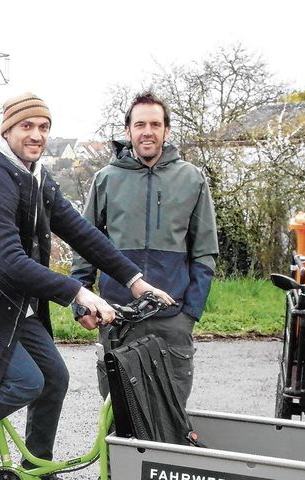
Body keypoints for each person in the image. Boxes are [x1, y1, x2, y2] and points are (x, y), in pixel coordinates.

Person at [0, 92, 174, 480]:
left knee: (56, 377)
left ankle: (36, 469)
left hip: (9, 305)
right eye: (27, 126)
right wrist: (77, 293)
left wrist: (136, 281)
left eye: (43, 127)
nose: (36, 135)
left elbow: (82, 233)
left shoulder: (33, 175)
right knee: (25, 382)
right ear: (7, 130)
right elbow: (9, 263)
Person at [72, 91, 218, 410]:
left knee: (170, 417)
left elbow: (205, 253)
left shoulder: (192, 179)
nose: (147, 131)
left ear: (167, 130)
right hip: (117, 317)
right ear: (128, 131)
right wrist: (81, 303)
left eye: (155, 124)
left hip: (172, 320)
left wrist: (189, 314)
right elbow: (83, 243)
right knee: (119, 420)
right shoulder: (106, 180)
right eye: (140, 124)